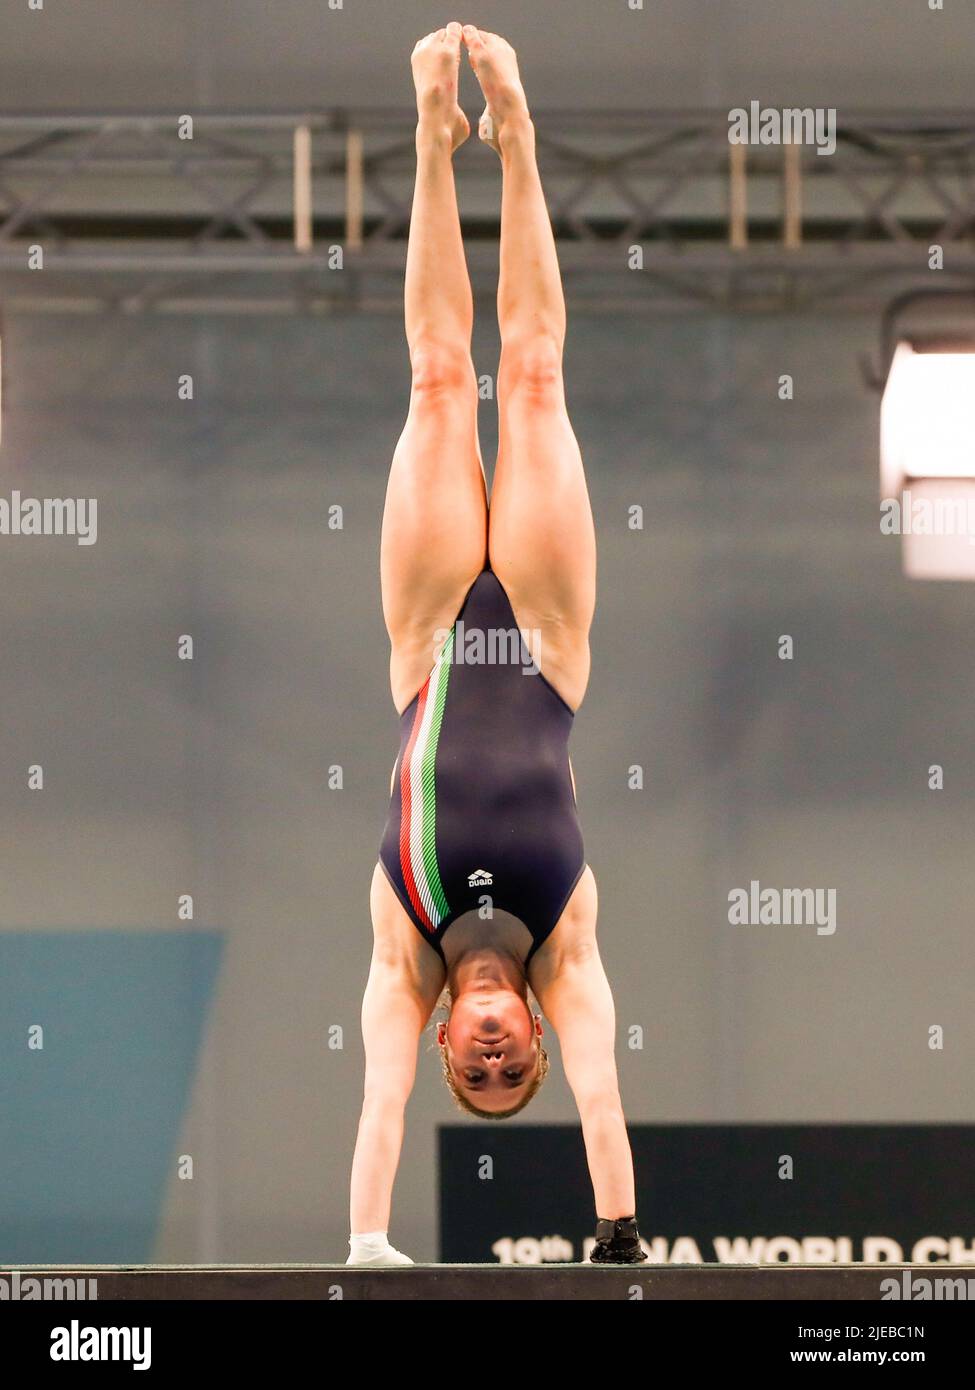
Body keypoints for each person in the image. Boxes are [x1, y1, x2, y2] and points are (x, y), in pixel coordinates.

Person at [347, 23, 646, 1269]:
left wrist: (366, 1242)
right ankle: (516, 141)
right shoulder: (566, 945)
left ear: (438, 1049)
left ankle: (430, 140)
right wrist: (619, 1231)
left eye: (472, 1077)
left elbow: (373, 1104)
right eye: (506, 1068)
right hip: (543, 636)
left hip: (427, 644)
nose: (491, 1057)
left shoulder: (402, 948)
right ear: (526, 1024)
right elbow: (601, 1088)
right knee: (527, 378)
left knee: (431, 380)